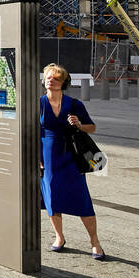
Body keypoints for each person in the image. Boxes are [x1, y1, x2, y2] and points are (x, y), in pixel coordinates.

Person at [40, 63, 105, 259]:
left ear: (64, 82)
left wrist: (79, 124)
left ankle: (95, 242)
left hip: (72, 156)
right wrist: (36, 158)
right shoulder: (38, 103)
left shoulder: (74, 104)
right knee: (52, 199)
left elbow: (92, 128)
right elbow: (31, 131)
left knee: (82, 199)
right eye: (49, 77)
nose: (52, 80)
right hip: (48, 157)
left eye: (57, 78)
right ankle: (59, 237)